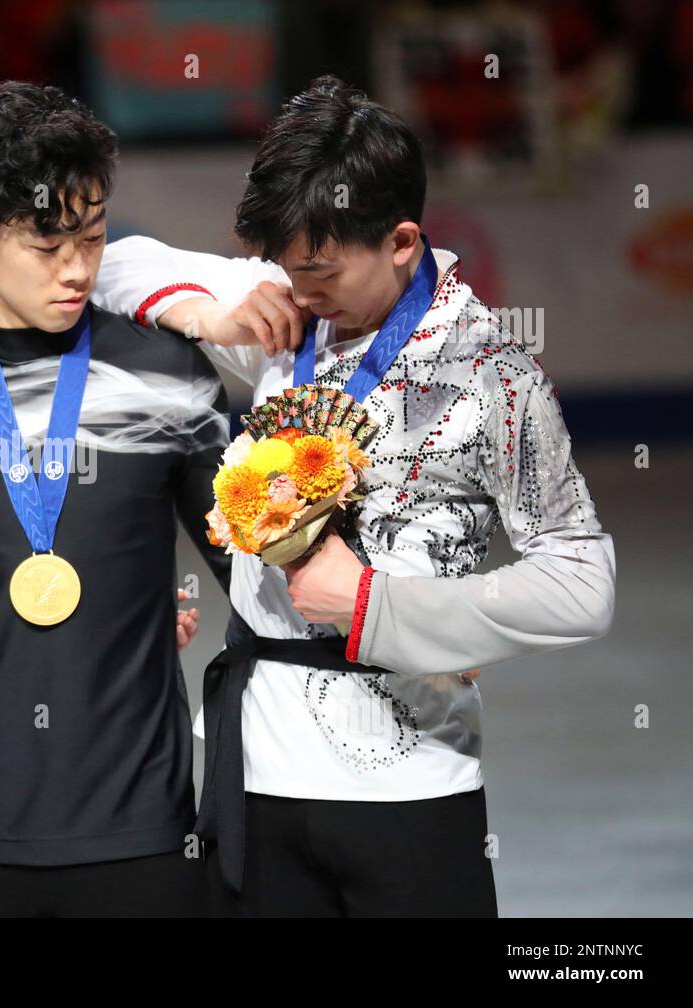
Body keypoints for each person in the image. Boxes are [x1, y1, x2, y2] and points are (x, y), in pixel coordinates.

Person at [93, 75, 616, 916]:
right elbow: (108, 264)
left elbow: (583, 583)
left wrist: (379, 606)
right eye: (283, 267)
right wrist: (209, 312)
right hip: (253, 776)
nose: (299, 289)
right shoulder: (283, 313)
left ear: (403, 241)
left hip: (410, 786)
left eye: (320, 271)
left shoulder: (490, 373)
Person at [0, 81, 225, 917]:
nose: (77, 269)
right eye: (47, 243)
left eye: (93, 237)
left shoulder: (169, 375)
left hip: (142, 825)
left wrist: (395, 620)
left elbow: (255, 561)